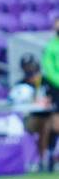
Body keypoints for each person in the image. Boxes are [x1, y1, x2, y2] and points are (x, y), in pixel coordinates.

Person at [39, 18, 59, 170]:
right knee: (56, 124)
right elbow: (49, 70)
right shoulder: (51, 47)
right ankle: (50, 155)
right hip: (56, 89)